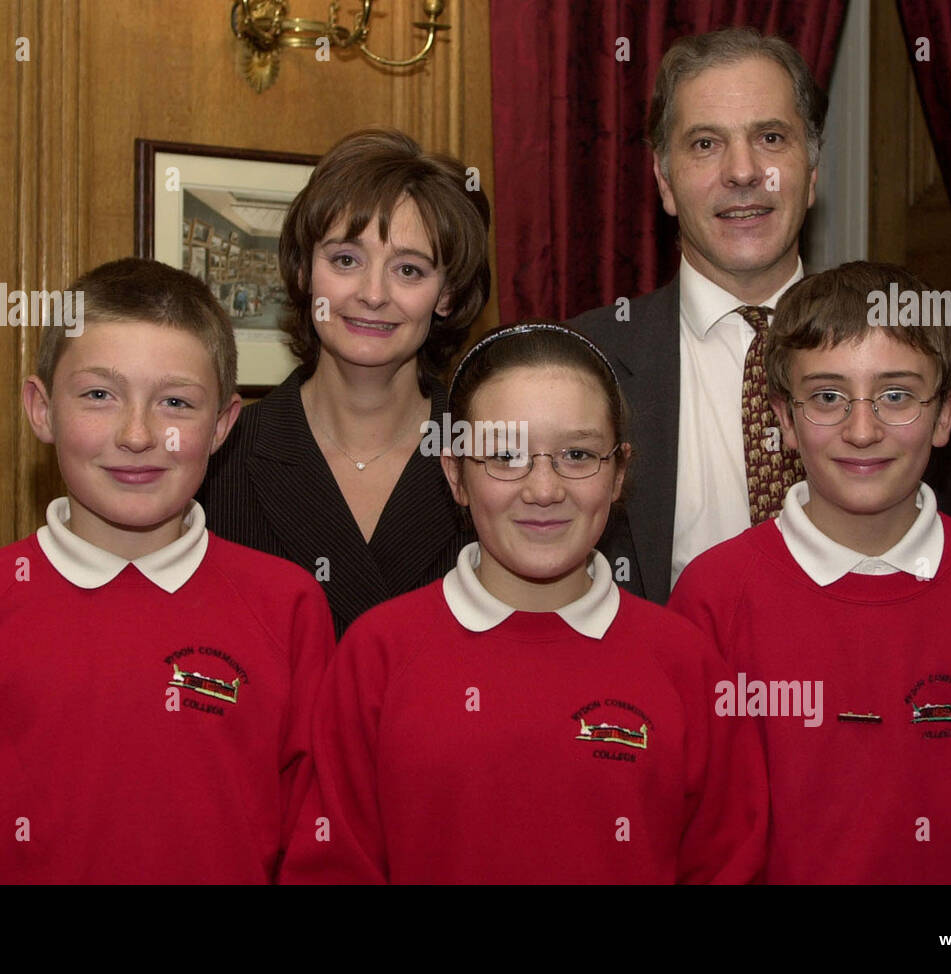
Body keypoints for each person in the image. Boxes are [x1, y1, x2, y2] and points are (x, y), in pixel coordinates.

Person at [0, 258, 335, 883]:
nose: (137, 434)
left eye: (176, 402)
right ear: (42, 409)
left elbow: (320, 849)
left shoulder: (287, 607)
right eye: (100, 395)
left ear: (221, 427)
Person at [280, 323, 769, 884]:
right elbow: (334, 864)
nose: (543, 489)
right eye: (505, 456)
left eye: (578, 454)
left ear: (618, 473)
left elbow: (727, 863)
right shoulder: (378, 653)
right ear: (455, 475)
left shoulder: (686, 661)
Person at [667, 262, 951, 883]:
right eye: (827, 397)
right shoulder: (714, 596)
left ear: (945, 415)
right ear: (784, 418)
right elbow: (707, 824)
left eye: (897, 395)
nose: (862, 429)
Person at [199, 129, 491, 637]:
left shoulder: (494, 458)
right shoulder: (217, 455)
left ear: (447, 295)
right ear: (305, 273)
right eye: (346, 261)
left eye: (408, 269)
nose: (373, 294)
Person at [570, 27, 824, 604]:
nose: (742, 171)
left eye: (770, 137)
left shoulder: (895, 362)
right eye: (706, 144)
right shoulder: (584, 360)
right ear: (664, 180)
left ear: (812, 171)